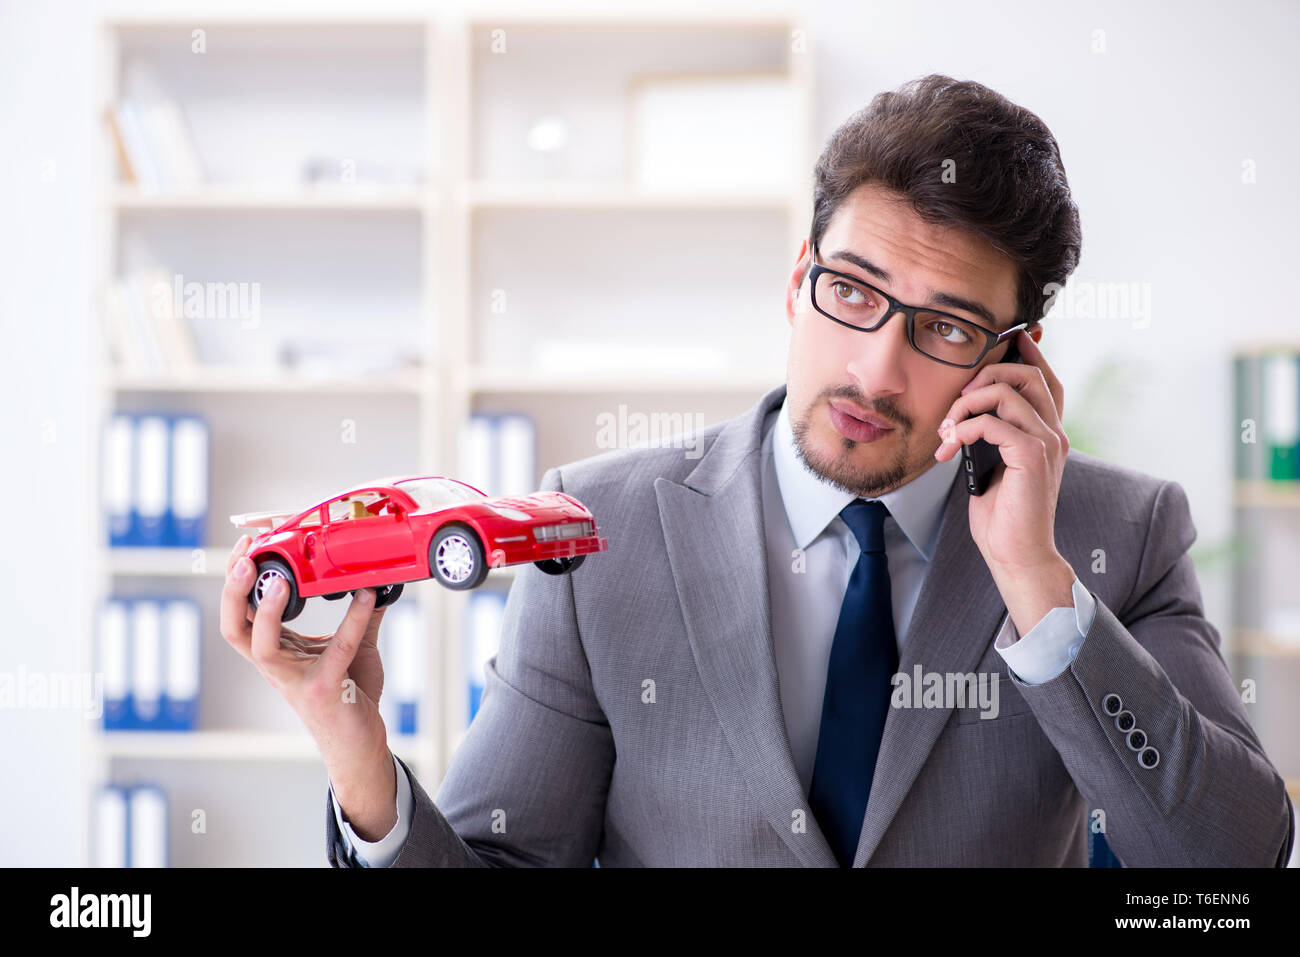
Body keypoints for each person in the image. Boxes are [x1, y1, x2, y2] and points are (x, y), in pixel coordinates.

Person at [220, 74, 1294, 867]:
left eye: (948, 329)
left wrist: (1037, 588)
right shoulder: (599, 527)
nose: (874, 366)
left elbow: (1230, 864)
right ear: (797, 281)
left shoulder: (1117, 532)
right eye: (854, 292)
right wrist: (361, 763)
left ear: (1014, 360)